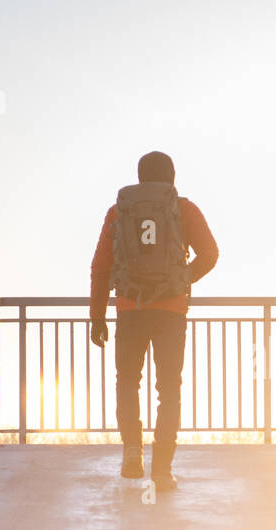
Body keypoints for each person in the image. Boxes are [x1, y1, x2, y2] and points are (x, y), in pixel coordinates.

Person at [89, 151, 218, 490]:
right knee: (168, 388)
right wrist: (181, 279)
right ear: (171, 178)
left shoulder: (119, 212)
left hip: (130, 309)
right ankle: (162, 469)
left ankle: (133, 448)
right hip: (171, 311)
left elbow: (100, 268)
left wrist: (97, 317)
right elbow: (211, 254)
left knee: (128, 381)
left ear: (140, 177)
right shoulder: (184, 209)